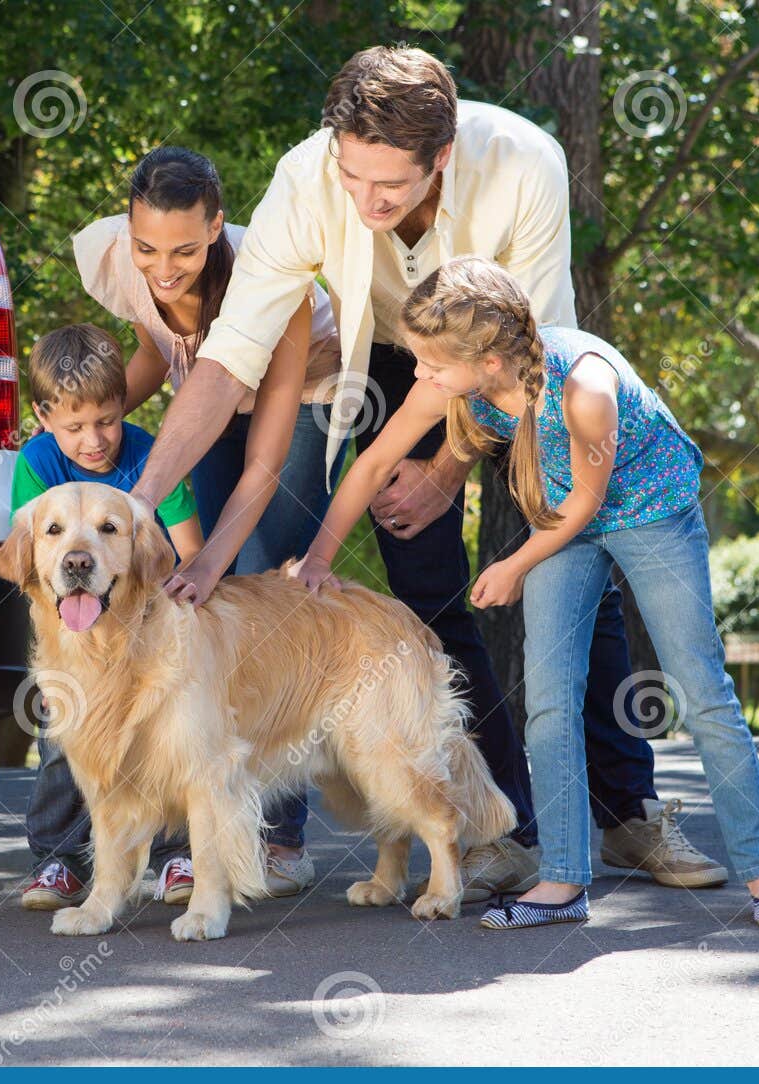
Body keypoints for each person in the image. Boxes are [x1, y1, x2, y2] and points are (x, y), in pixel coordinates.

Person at [129, 45, 725, 898]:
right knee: (427, 589)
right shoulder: (305, 179)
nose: (365, 201)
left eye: (389, 187)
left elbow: (533, 359)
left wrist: (448, 468)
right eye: (351, 177)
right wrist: (140, 500)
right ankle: (499, 833)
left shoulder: (524, 165)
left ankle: (629, 810)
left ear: (440, 157)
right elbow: (228, 361)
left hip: (516, 366)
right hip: (387, 355)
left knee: (571, 561)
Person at [290, 256, 759, 930]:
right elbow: (375, 464)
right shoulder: (460, 383)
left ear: (488, 361)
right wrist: (317, 561)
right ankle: (562, 881)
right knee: (550, 699)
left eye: (431, 364)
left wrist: (511, 567)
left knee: (702, 689)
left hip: (650, 511)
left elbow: (589, 501)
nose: (419, 375)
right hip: (562, 517)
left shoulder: (583, 387)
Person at [71, 145, 346, 896]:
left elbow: (264, 463)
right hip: (206, 398)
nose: (163, 268)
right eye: (148, 247)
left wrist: (210, 558)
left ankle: (280, 837)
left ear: (217, 227)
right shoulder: (118, 258)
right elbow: (156, 350)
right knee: (197, 604)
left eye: (185, 251)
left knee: (257, 582)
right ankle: (201, 818)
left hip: (303, 400)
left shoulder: (275, 281)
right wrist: (82, 428)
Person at [13, 323, 204, 911]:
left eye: (106, 421)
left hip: (148, 631)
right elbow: (29, 562)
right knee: (61, 738)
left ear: (124, 403)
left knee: (165, 739)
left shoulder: (151, 455)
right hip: (72, 639)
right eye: (74, 428)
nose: (93, 441)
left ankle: (177, 856)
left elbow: (190, 551)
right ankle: (59, 859)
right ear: (44, 417)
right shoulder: (37, 461)